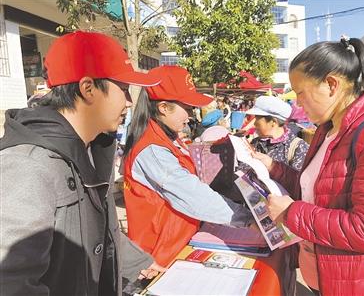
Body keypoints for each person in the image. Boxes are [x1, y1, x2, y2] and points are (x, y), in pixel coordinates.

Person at [0, 31, 165, 296]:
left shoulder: (92, 148)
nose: (130, 102)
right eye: (123, 89)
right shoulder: (27, 165)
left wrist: (139, 264)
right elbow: (10, 282)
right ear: (88, 88)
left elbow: (97, 230)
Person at [255, 37, 364, 295]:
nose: (297, 104)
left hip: (361, 284)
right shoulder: (327, 129)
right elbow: (317, 191)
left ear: (331, 84)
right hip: (323, 277)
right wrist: (271, 166)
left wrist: (291, 213)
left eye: (300, 93)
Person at [123, 65, 252, 268]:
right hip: (160, 254)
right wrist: (248, 219)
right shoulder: (152, 150)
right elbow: (191, 193)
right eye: (188, 108)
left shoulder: (168, 137)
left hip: (178, 244)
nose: (191, 115)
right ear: (163, 108)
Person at [247, 96, 309, 171]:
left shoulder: (299, 148)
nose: (255, 123)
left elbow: (298, 180)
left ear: (273, 122)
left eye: (257, 119)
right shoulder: (256, 143)